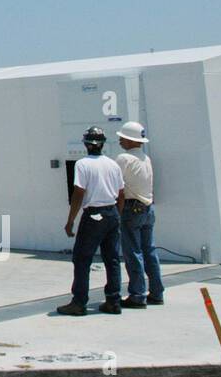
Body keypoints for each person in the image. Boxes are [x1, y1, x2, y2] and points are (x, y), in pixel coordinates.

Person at [57, 127, 126, 316]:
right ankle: (113, 301)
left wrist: (71, 220)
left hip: (94, 215)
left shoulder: (82, 164)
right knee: (112, 259)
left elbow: (79, 192)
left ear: (86, 144)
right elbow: (121, 194)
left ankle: (79, 302)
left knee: (82, 258)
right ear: (103, 144)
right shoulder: (113, 165)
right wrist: (117, 216)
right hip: (112, 213)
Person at [116, 121, 164, 308]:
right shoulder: (145, 158)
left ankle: (137, 295)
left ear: (129, 139)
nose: (120, 140)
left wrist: (116, 211)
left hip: (131, 208)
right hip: (147, 207)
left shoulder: (124, 158)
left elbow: (117, 187)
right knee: (149, 251)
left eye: (122, 138)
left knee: (133, 252)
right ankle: (157, 292)